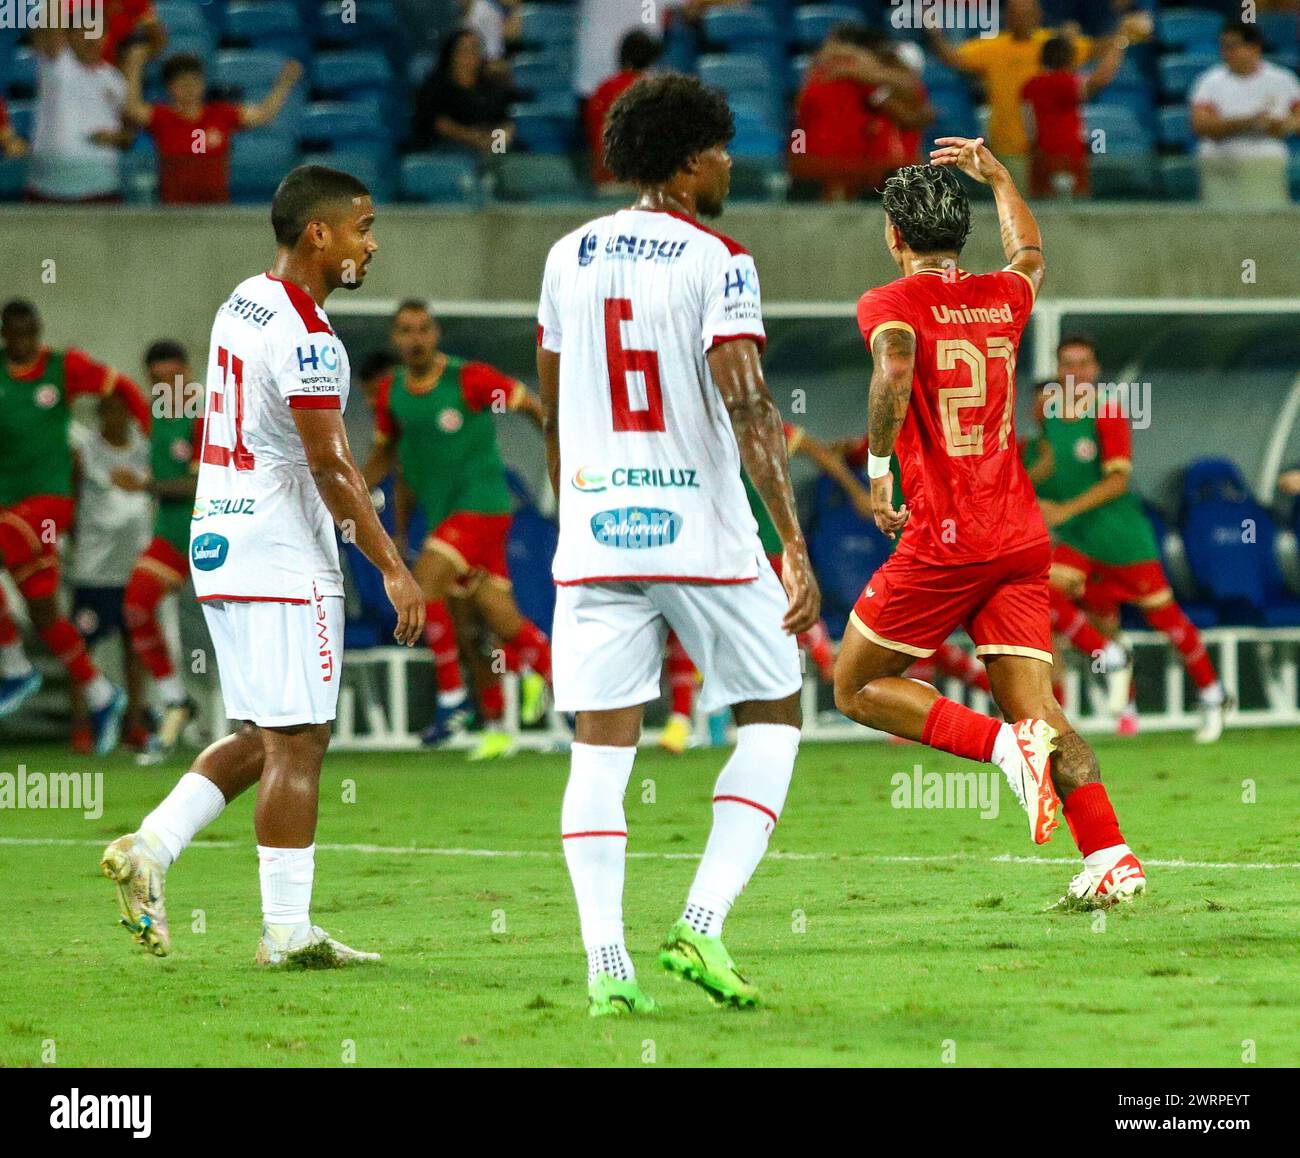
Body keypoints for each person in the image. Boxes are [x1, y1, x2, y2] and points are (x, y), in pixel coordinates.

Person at [537, 73, 821, 1014]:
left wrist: (571, 511)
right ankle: (701, 921)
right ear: (693, 161)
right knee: (775, 714)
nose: (731, 163)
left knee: (599, 750)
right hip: (700, 533)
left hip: (595, 533)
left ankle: (605, 968)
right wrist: (792, 540)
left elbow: (551, 408)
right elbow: (747, 402)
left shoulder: (565, 256)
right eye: (725, 149)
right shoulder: (719, 259)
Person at [100, 165, 426, 965]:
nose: (371, 244)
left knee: (261, 734)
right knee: (302, 738)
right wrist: (392, 566)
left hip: (218, 542)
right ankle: (286, 932)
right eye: (362, 227)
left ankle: (150, 848)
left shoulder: (241, 301)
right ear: (319, 234)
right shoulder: (311, 337)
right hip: (281, 556)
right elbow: (333, 468)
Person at [834, 140, 1147, 909]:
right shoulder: (1003, 297)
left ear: (893, 235)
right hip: (1019, 535)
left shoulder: (889, 304)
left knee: (857, 684)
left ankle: (1003, 749)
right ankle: (1110, 855)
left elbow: (896, 369)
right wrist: (1005, 176)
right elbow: (1031, 253)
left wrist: (878, 474)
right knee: (1040, 707)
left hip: (946, 539)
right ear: (961, 234)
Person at [362, 301, 553, 758]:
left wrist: (561, 448)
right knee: (493, 623)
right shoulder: (391, 395)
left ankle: (453, 700)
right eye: (406, 331)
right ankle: (548, 694)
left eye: (423, 329)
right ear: (395, 339)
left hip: (484, 507)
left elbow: (529, 404)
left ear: (436, 334)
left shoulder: (469, 380)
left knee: (424, 587)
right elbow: (392, 463)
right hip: (445, 519)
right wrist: (342, 495)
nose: (416, 339)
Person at [1024, 340, 1228, 743]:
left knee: (1166, 621)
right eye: (1068, 364)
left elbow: (1117, 482)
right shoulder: (1049, 415)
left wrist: (1064, 511)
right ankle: (1113, 665)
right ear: (1058, 368)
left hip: (1121, 537)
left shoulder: (1109, 413)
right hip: (1080, 538)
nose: (1076, 371)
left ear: (1096, 368)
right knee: (1042, 593)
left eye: (1084, 363)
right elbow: (1048, 465)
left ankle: (1212, 693)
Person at [0, 300, 149, 752]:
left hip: (49, 504)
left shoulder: (63, 368)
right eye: (15, 334)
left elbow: (122, 387)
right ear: (4, 335)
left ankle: (13, 665)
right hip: (9, 510)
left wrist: (148, 446)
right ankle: (103, 694)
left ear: (39, 332)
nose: (24, 342)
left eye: (31, 333)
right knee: (44, 613)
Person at [117, 340, 205, 763]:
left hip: (214, 535)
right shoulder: (155, 419)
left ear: (187, 373)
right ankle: (176, 700)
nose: (164, 387)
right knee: (136, 605)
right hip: (172, 535)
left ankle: (266, 725)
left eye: (172, 379)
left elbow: (201, 482)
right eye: (156, 381)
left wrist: (144, 486)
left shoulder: (206, 415)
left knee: (236, 630)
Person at [68, 392, 154, 753]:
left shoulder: (145, 449)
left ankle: (133, 724)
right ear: (100, 413)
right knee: (80, 647)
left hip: (133, 568)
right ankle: (82, 726)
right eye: (108, 410)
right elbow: (71, 498)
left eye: (122, 410)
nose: (115, 417)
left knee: (135, 649)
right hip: (93, 572)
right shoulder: (84, 450)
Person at [120, 47, 303, 205]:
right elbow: (132, 109)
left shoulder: (221, 114)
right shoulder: (162, 117)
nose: (190, 89)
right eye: (183, 84)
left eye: (195, 82)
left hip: (216, 211)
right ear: (169, 88)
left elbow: (263, 114)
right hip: (174, 214)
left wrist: (284, 83)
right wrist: (133, 67)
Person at [794, 23, 935, 201]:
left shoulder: (817, 72)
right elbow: (910, 112)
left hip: (815, 161)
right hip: (853, 164)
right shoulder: (858, 73)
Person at [1190, 21, 1300, 209]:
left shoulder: (1283, 79)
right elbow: (1200, 125)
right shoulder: (1209, 81)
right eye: (1223, 47)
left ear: (1254, 48)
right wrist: (1246, 122)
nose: (1226, 53)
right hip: (1221, 158)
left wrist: (1283, 125)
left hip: (1266, 156)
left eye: (1232, 46)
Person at [27, 23, 128, 203]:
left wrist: (115, 138)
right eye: (83, 33)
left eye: (96, 33)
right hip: (50, 185)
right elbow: (50, 30)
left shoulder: (115, 79)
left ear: (106, 38)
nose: (91, 39)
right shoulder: (56, 66)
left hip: (102, 184)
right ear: (69, 37)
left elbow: (128, 134)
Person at [1021, 33, 1126, 199]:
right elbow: (1100, 79)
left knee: (1041, 211)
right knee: (1078, 207)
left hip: (1041, 157)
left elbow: (1029, 128)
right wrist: (1120, 45)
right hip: (1071, 156)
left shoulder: (1029, 86)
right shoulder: (1067, 82)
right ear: (1069, 58)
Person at [412, 29, 515, 155]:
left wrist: (497, 142)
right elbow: (436, 122)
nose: (470, 55)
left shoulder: (492, 87)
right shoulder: (435, 88)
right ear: (451, 54)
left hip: (489, 148)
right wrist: (470, 137)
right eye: (464, 50)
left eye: (475, 49)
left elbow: (504, 121)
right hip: (446, 151)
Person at [586, 30, 662, 189]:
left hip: (607, 180)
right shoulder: (656, 91)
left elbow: (594, 135)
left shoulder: (603, 89)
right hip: (645, 185)